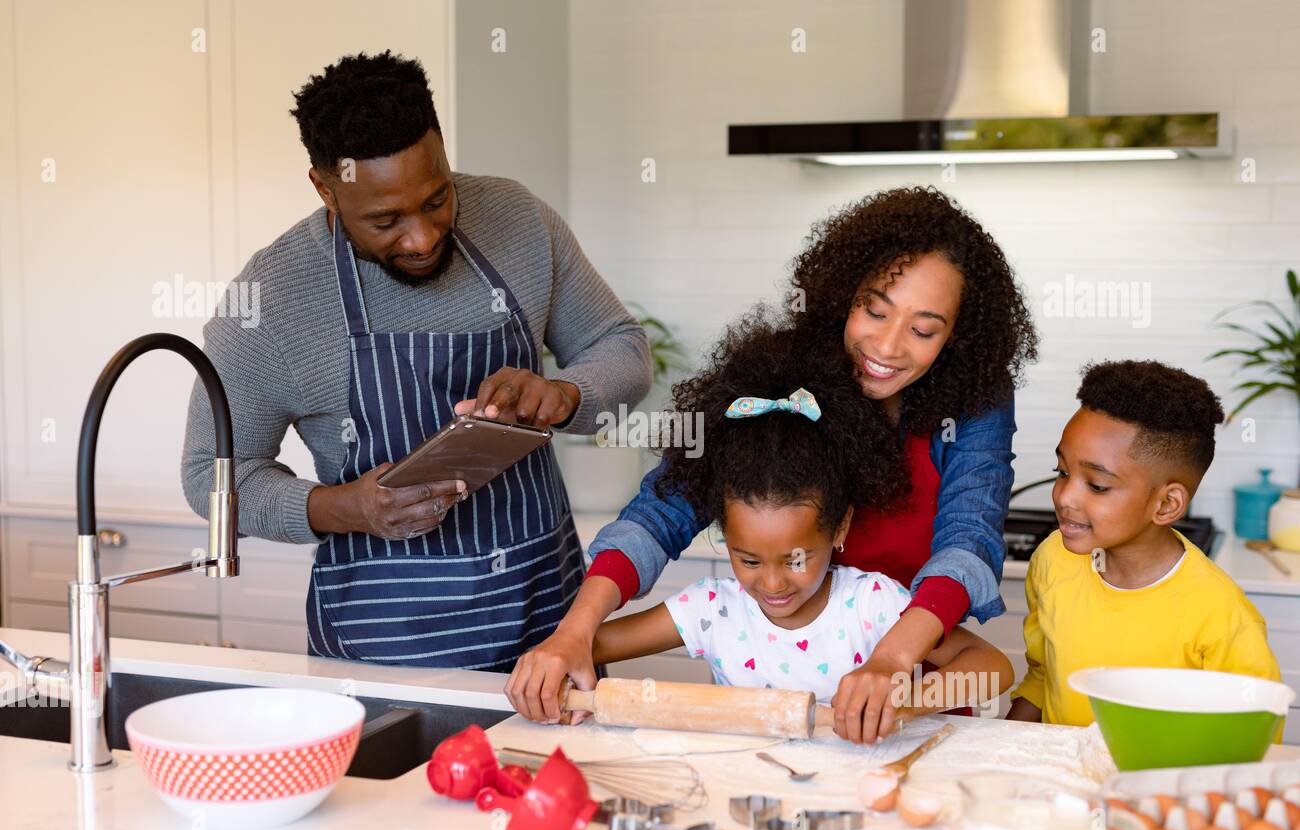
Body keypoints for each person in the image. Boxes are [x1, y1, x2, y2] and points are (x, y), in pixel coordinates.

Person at [507, 186, 1038, 740]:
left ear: (957, 338)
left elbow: (969, 537)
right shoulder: (781, 378)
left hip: (921, 688)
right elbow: (661, 509)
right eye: (874, 311)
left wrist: (891, 664)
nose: (887, 345)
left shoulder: (975, 401)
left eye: (923, 330)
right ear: (843, 296)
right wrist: (576, 628)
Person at [181, 51, 650, 670]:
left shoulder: (519, 220)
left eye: (436, 200)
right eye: (386, 220)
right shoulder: (270, 302)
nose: (423, 237)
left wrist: (566, 396)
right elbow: (209, 480)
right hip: (385, 646)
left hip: (549, 628)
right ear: (326, 188)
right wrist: (346, 506)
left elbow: (620, 345)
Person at [582, 320, 1013, 725]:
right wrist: (565, 648)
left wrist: (902, 699)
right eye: (749, 560)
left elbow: (992, 668)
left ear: (840, 528)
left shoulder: (872, 605)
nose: (772, 584)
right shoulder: (712, 611)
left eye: (796, 559)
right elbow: (589, 645)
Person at [1007, 361, 1282, 733]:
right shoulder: (1053, 560)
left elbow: (1249, 743)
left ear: (1166, 504)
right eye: (1063, 472)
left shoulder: (1222, 617)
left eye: (1098, 486)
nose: (1064, 496)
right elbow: (1042, 677)